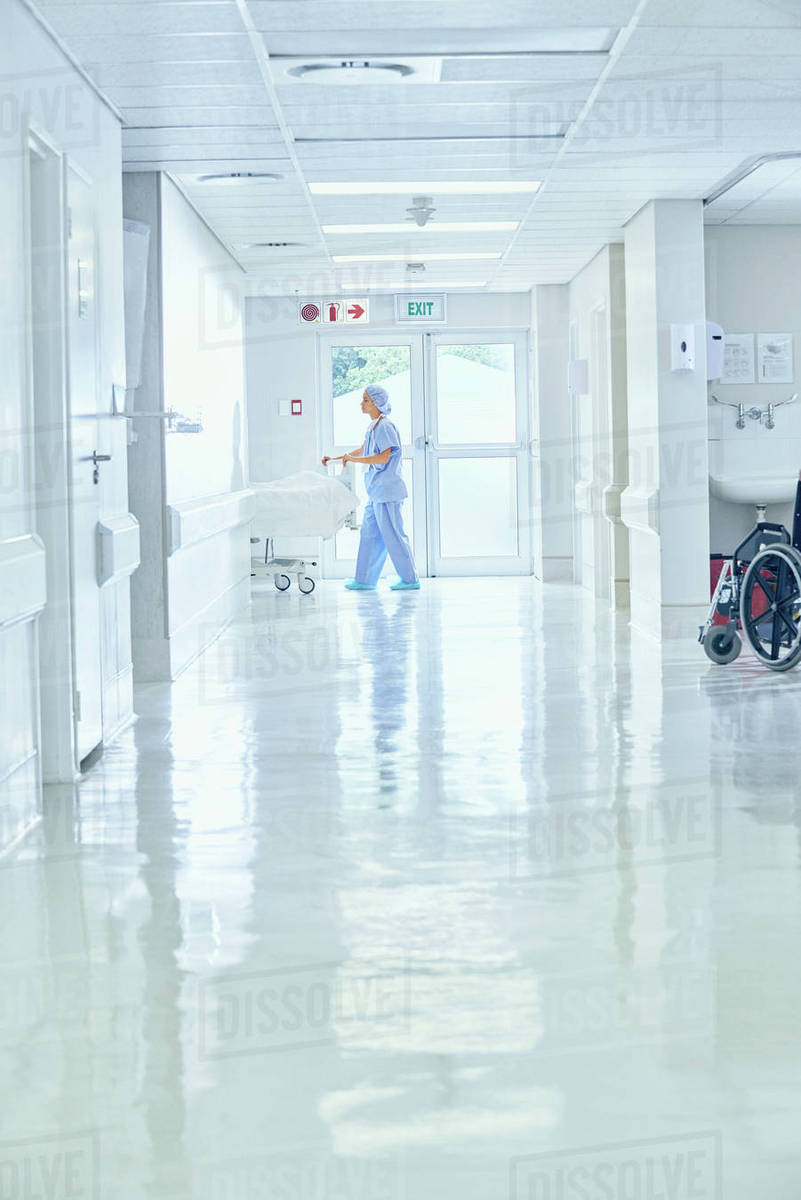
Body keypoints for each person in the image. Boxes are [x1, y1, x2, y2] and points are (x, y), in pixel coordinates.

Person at [322, 384, 420, 591]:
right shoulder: (374, 426)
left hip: (388, 492)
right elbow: (363, 449)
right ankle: (365, 580)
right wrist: (336, 459)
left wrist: (353, 460)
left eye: (366, 400)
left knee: (394, 535)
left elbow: (383, 458)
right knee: (370, 535)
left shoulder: (385, 427)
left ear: (377, 403)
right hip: (376, 492)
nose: (362, 403)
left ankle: (410, 579)